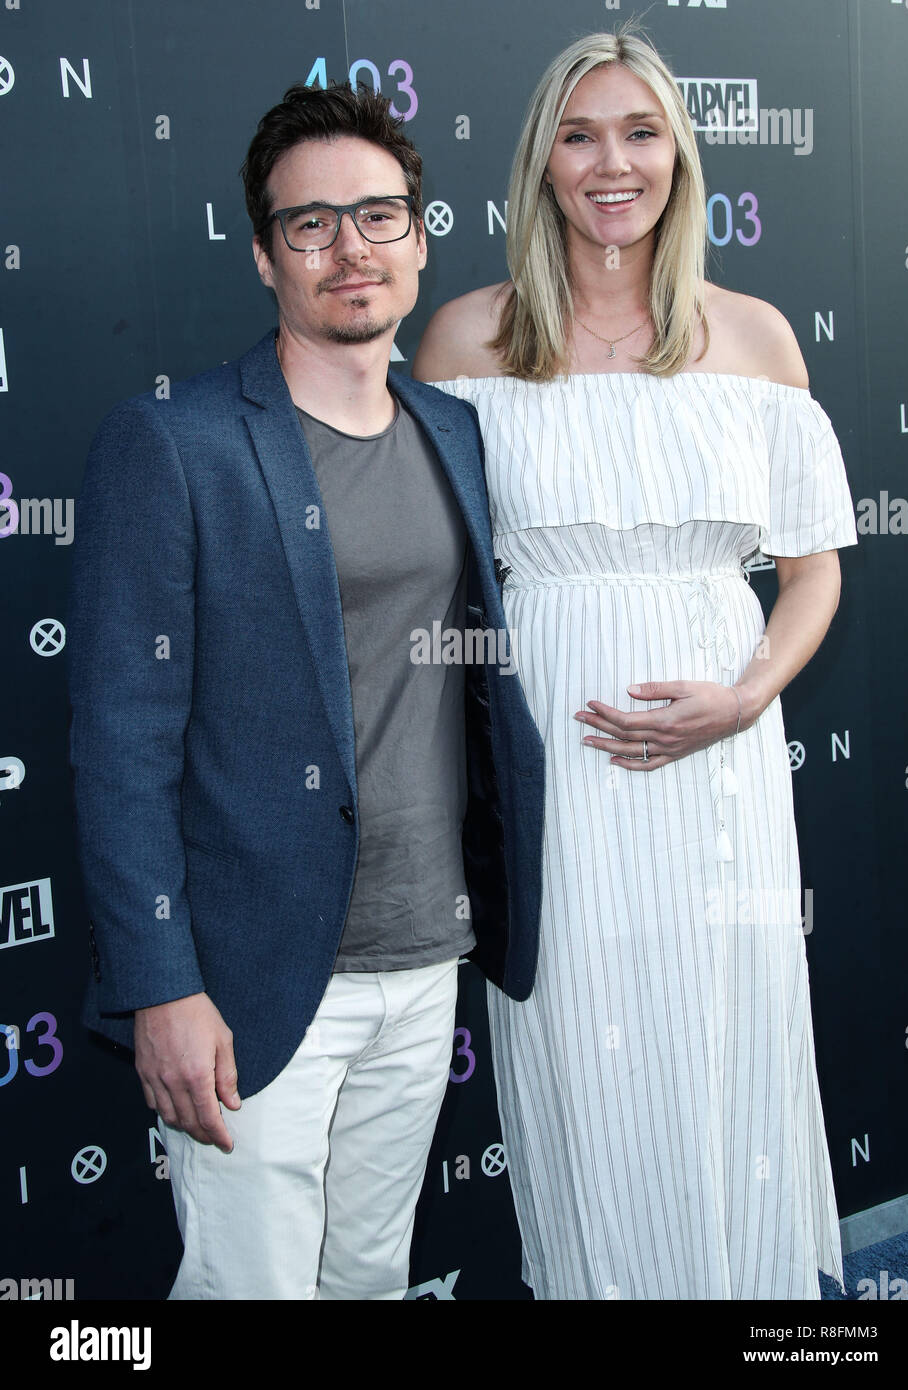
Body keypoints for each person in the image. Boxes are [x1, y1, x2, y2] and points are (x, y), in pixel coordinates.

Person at [66, 81, 544, 1301]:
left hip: (424, 954)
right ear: (265, 254)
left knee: (371, 1278)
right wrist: (161, 983)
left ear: (422, 237)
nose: (351, 249)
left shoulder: (456, 431)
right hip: (252, 974)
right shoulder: (172, 441)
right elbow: (121, 736)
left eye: (379, 216)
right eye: (310, 223)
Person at [414, 27, 857, 1300]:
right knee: (581, 1064)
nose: (613, 164)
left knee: (723, 1035)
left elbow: (814, 569)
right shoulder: (466, 343)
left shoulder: (757, 341)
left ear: (681, 154)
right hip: (552, 769)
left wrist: (747, 695)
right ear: (541, 161)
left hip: (724, 773)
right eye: (580, 133)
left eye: (641, 132)